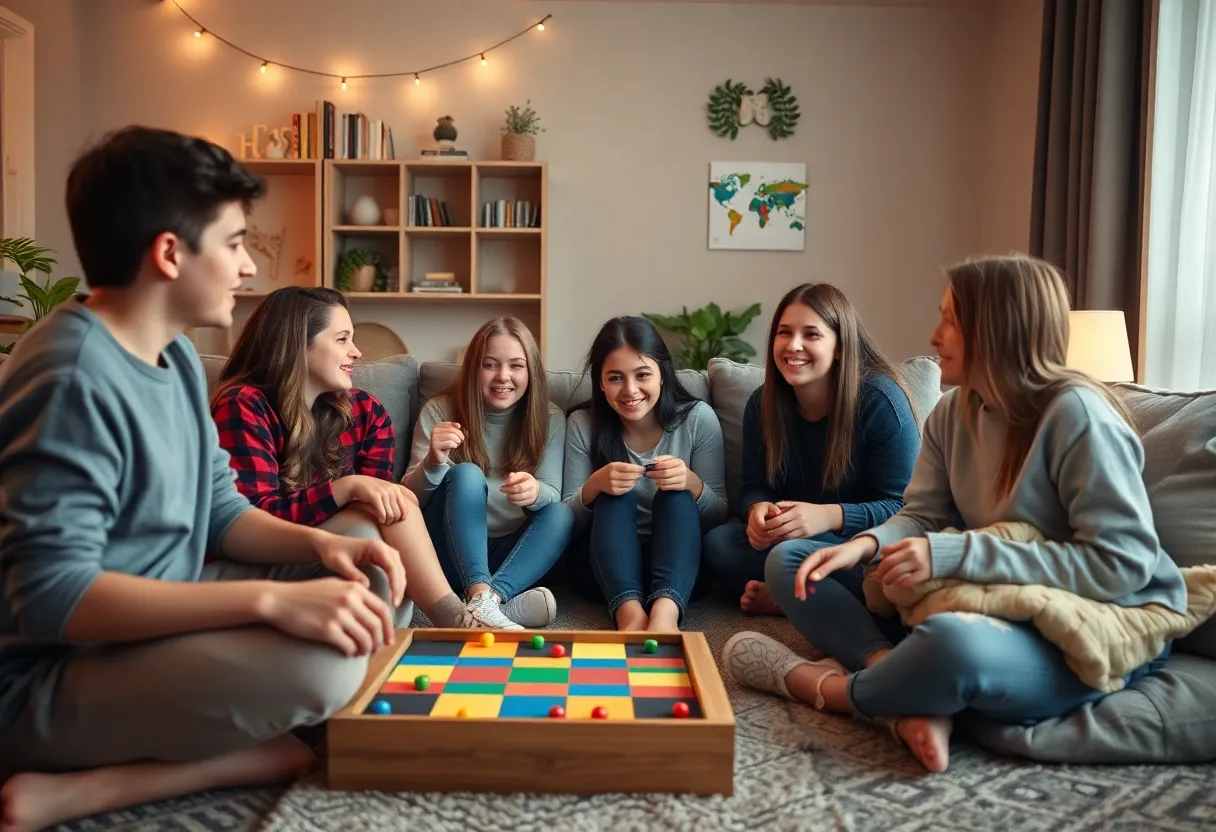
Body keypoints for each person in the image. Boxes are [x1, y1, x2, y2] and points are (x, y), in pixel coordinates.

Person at [0, 126, 411, 832]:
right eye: (234, 243)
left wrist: (321, 549)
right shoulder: (71, 373)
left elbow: (222, 511)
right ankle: (127, 780)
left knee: (368, 575)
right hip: (54, 675)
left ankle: (250, 735)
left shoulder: (181, 355)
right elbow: (51, 597)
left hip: (163, 619)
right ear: (168, 254)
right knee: (326, 671)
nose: (249, 268)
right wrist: (267, 605)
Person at [724, 254, 1185, 773]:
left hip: (1097, 618)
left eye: (950, 319)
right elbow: (920, 514)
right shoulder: (951, 411)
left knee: (953, 646)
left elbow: (1122, 565)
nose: (934, 335)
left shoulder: (1077, 415)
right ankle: (902, 678)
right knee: (793, 564)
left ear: (996, 329)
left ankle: (821, 686)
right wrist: (865, 544)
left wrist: (949, 552)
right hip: (994, 601)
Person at [211, 286, 494, 630]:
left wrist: (362, 492)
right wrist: (345, 488)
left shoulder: (366, 412)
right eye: (343, 339)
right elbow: (246, 522)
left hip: (360, 559)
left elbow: (381, 511)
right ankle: (456, 620)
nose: (357, 352)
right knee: (374, 511)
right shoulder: (243, 405)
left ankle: (457, 618)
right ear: (298, 344)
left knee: (392, 501)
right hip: (273, 556)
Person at [702, 283, 920, 615]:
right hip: (789, 542)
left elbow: (906, 510)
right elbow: (753, 486)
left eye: (812, 335)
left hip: (858, 545)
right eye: (784, 333)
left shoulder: (880, 402)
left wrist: (827, 516)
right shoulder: (762, 404)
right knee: (719, 545)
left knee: (877, 572)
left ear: (839, 347)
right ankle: (800, 592)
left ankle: (788, 595)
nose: (794, 345)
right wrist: (757, 511)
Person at [404, 317, 573, 629]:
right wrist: (432, 461)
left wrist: (535, 491)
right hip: (450, 553)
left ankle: (489, 603)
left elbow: (554, 492)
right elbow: (407, 499)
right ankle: (483, 596)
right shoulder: (439, 411)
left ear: (531, 371)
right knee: (467, 474)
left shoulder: (550, 418)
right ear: (473, 369)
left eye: (516, 366)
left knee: (561, 513)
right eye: (490, 365)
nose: (503, 377)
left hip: (513, 559)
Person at [562, 316, 729, 631]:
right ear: (599, 382)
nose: (630, 390)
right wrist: (595, 485)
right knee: (613, 497)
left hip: (678, 565)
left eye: (643, 375)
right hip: (602, 567)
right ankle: (630, 615)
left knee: (676, 496)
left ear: (662, 376)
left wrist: (691, 483)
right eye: (615, 378)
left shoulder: (697, 419)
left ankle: (665, 618)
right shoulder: (584, 425)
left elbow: (719, 513)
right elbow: (565, 522)